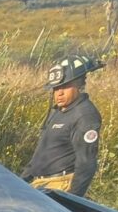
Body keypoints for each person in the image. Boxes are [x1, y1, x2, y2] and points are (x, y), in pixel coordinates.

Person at [21, 54, 104, 196]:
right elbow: (42, 152)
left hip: (60, 187)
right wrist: (21, 181)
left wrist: (72, 199)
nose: (59, 93)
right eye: (55, 88)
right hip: (40, 185)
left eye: (65, 86)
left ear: (79, 85)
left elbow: (86, 163)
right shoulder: (59, 111)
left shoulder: (85, 115)